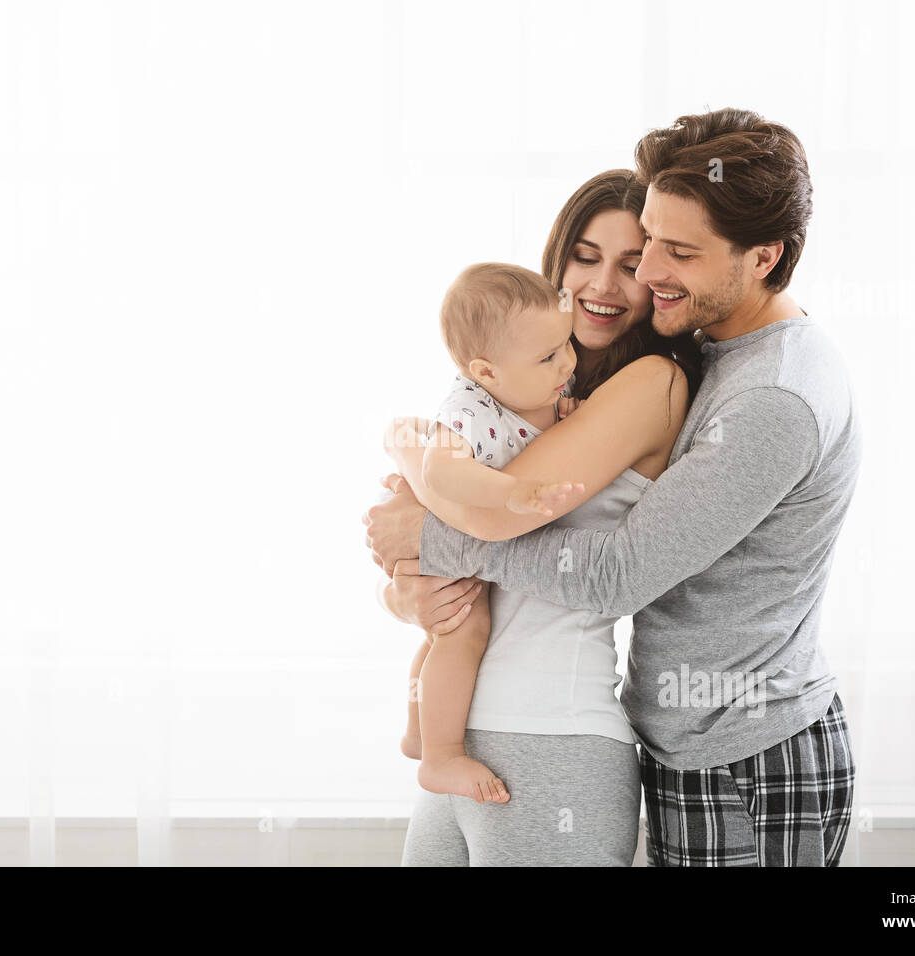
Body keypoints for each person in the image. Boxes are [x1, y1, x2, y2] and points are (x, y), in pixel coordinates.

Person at [368, 108, 862, 867]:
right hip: (657, 737)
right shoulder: (677, 353)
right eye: (641, 247)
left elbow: (611, 573)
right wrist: (409, 588)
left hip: (739, 753)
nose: (646, 273)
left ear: (762, 257)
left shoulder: (749, 391)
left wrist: (423, 529)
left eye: (667, 254)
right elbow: (471, 530)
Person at [374, 169, 702, 865]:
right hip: (458, 740)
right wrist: (404, 591)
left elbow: (483, 521)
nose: (604, 285)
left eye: (631, 264)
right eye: (585, 257)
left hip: (554, 736)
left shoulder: (651, 383)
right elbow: (437, 515)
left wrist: (415, 481)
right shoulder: (523, 388)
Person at [394, 261, 586, 805]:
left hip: (449, 539)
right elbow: (439, 470)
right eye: (548, 357)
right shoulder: (468, 408)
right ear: (487, 373)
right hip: (444, 534)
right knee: (464, 628)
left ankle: (417, 728)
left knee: (439, 636)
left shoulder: (533, 394)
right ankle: (441, 755)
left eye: (566, 345)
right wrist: (510, 493)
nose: (566, 362)